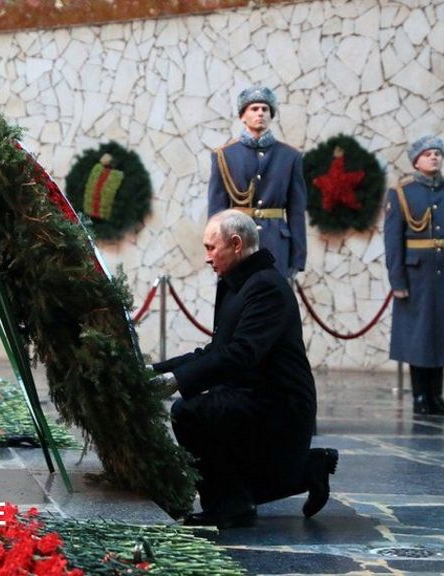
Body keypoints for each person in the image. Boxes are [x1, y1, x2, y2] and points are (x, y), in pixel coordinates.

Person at [151, 210, 338, 528]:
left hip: (280, 404)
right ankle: (307, 469)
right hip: (251, 395)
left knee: (190, 412)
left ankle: (230, 505)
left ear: (236, 243)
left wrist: (177, 382)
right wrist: (156, 370)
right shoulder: (239, 282)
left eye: (211, 247)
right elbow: (215, 351)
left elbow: (242, 354)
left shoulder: (265, 287)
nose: (207, 258)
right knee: (211, 416)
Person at [383, 136, 444, 417]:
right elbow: (393, 241)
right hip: (416, 276)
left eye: (437, 153)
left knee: (443, 336)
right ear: (416, 161)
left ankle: (437, 396)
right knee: (419, 337)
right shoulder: (401, 193)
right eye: (428, 154)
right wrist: (397, 280)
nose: (434, 158)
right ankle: (420, 397)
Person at [207, 85, 307, 279]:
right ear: (242, 116)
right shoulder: (224, 156)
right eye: (254, 109)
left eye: (265, 109)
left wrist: (297, 258)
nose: (260, 113)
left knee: (274, 305)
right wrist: (215, 252)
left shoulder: (289, 157)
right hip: (236, 245)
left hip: (276, 245)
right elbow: (216, 212)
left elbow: (296, 212)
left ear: (271, 115)